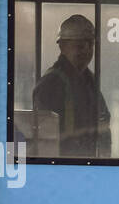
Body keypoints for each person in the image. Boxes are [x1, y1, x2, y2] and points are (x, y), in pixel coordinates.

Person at [32, 14, 112, 157]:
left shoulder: (90, 81)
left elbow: (103, 122)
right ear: (62, 46)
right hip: (64, 168)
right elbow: (45, 138)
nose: (87, 50)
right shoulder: (51, 84)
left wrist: (105, 160)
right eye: (80, 45)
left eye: (90, 44)